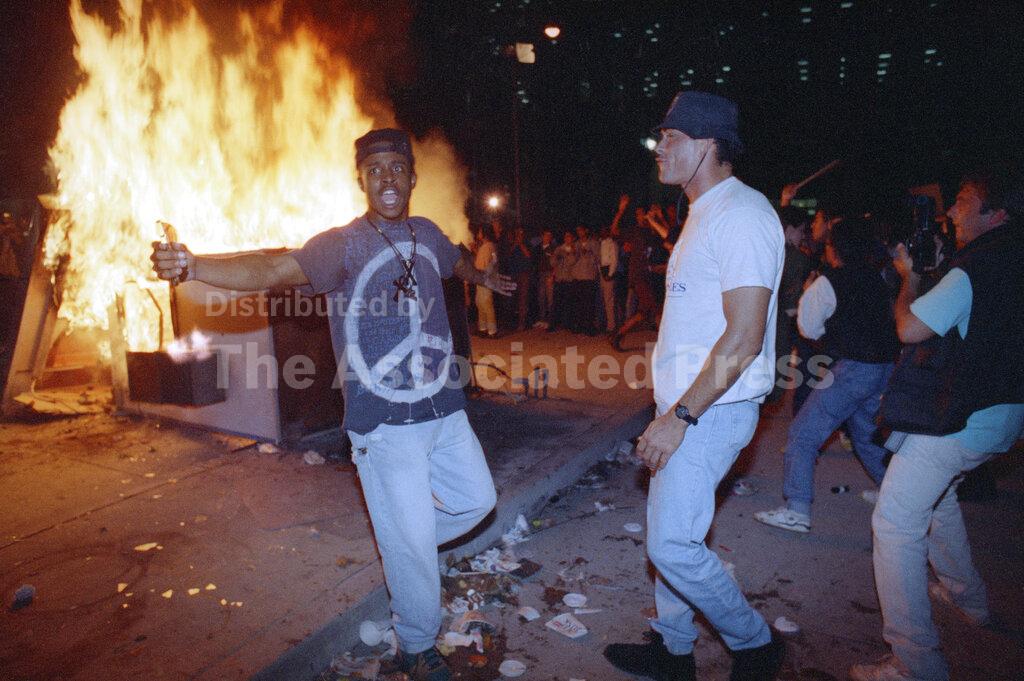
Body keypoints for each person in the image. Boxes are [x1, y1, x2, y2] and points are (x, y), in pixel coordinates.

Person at [151, 128, 515, 681]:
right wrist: (193, 266)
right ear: (361, 180)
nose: (387, 178)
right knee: (412, 543)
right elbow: (273, 270)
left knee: (476, 501)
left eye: (397, 168)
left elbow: (452, 261)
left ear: (412, 178)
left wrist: (481, 274)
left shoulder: (426, 232)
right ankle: (415, 646)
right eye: (376, 170)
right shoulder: (341, 245)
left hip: (443, 407)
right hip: (384, 420)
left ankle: (405, 547)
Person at [603, 91, 785, 681]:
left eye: (671, 137)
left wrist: (679, 417)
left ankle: (756, 645)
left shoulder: (742, 216)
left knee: (672, 547)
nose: (659, 147)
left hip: (709, 411)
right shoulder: (703, 211)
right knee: (672, 534)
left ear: (707, 144)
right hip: (686, 407)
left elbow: (746, 335)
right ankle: (673, 650)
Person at [850, 171, 1024, 681]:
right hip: (1002, 412)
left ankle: (915, 662)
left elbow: (910, 328)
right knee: (939, 499)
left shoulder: (976, 267)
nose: (950, 211)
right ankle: (968, 598)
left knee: (894, 523)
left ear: (996, 214)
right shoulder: (1011, 258)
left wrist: (908, 277)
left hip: (961, 418)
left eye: (964, 201)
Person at [754, 216, 899, 533]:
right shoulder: (877, 278)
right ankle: (895, 496)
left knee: (803, 434)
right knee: (866, 434)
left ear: (834, 248)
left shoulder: (828, 281)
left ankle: (797, 510)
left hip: (853, 368)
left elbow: (808, 328)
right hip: (885, 367)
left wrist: (808, 295)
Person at [473, 223, 499, 337]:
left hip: (485, 279)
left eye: (480, 231)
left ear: (484, 233)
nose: (478, 234)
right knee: (480, 303)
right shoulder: (487, 246)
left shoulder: (488, 246)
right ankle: (483, 328)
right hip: (483, 278)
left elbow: (486, 263)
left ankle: (492, 331)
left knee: (487, 304)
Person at [533, 228, 556, 329]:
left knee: (550, 298)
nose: (548, 237)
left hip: (549, 274)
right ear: (542, 236)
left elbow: (556, 263)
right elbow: (535, 262)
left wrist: (553, 275)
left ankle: (550, 321)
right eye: (546, 235)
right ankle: (542, 319)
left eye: (550, 235)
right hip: (540, 274)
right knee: (541, 297)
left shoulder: (554, 248)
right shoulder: (537, 248)